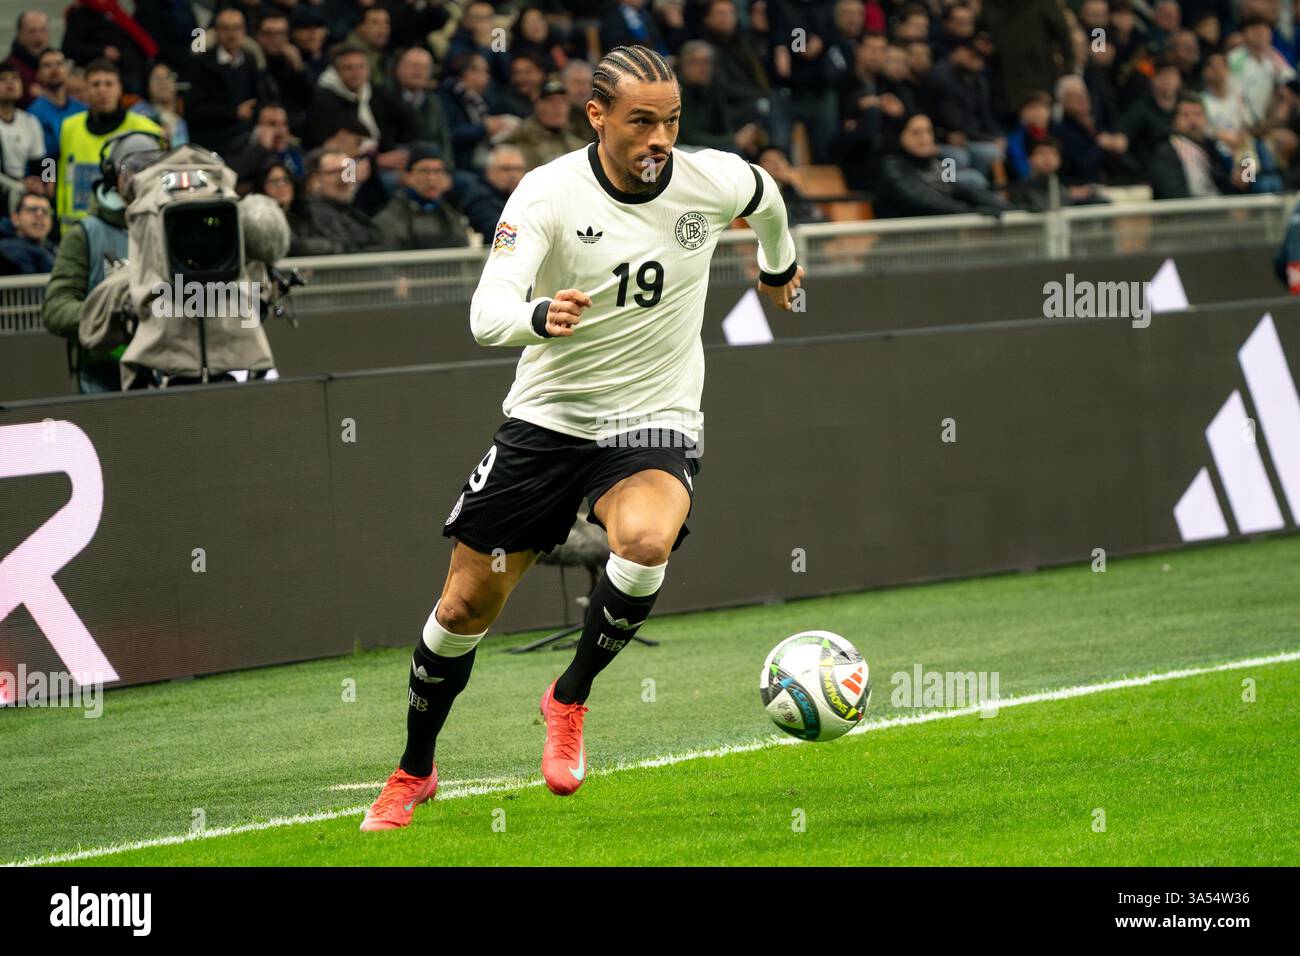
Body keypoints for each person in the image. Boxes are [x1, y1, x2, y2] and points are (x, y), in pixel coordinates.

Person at [360, 43, 804, 831]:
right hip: (549, 420)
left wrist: (778, 267)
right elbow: (485, 310)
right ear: (596, 116)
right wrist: (537, 315)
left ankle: (569, 698)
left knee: (644, 542)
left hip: (654, 417)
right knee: (464, 606)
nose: (659, 138)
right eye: (641, 122)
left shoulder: (712, 178)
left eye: (670, 121)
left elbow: (769, 197)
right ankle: (415, 768)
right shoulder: (547, 194)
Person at [42, 131, 161, 392]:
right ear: (112, 176)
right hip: (102, 376)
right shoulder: (86, 233)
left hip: (164, 370)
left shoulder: (170, 228)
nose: (142, 180)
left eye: (153, 171)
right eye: (134, 170)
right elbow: (55, 309)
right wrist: (110, 312)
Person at [55, 59, 162, 226]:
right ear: (85, 89)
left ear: (120, 88)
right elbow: (60, 174)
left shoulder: (146, 130)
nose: (102, 90)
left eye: (109, 84)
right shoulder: (69, 126)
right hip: (74, 229)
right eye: (95, 84)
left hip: (124, 229)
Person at [371, 143, 470, 248]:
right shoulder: (390, 219)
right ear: (407, 176)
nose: (432, 178)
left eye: (437, 171)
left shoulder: (451, 214)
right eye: (424, 171)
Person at [0, 62, 47, 214]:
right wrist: (22, 184)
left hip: (20, 194)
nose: (10, 83)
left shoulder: (30, 121)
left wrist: (48, 179)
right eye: (2, 79)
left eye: (14, 78)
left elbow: (46, 161)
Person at [28, 50, 87, 158]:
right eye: (47, 65)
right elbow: (43, 157)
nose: (54, 69)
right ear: (38, 74)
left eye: (59, 64)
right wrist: (49, 175)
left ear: (67, 70)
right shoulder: (33, 114)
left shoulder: (82, 110)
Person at [0, 191, 57, 273]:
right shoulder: (6, 254)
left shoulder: (51, 248)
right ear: (15, 218)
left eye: (45, 211)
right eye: (32, 210)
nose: (40, 215)